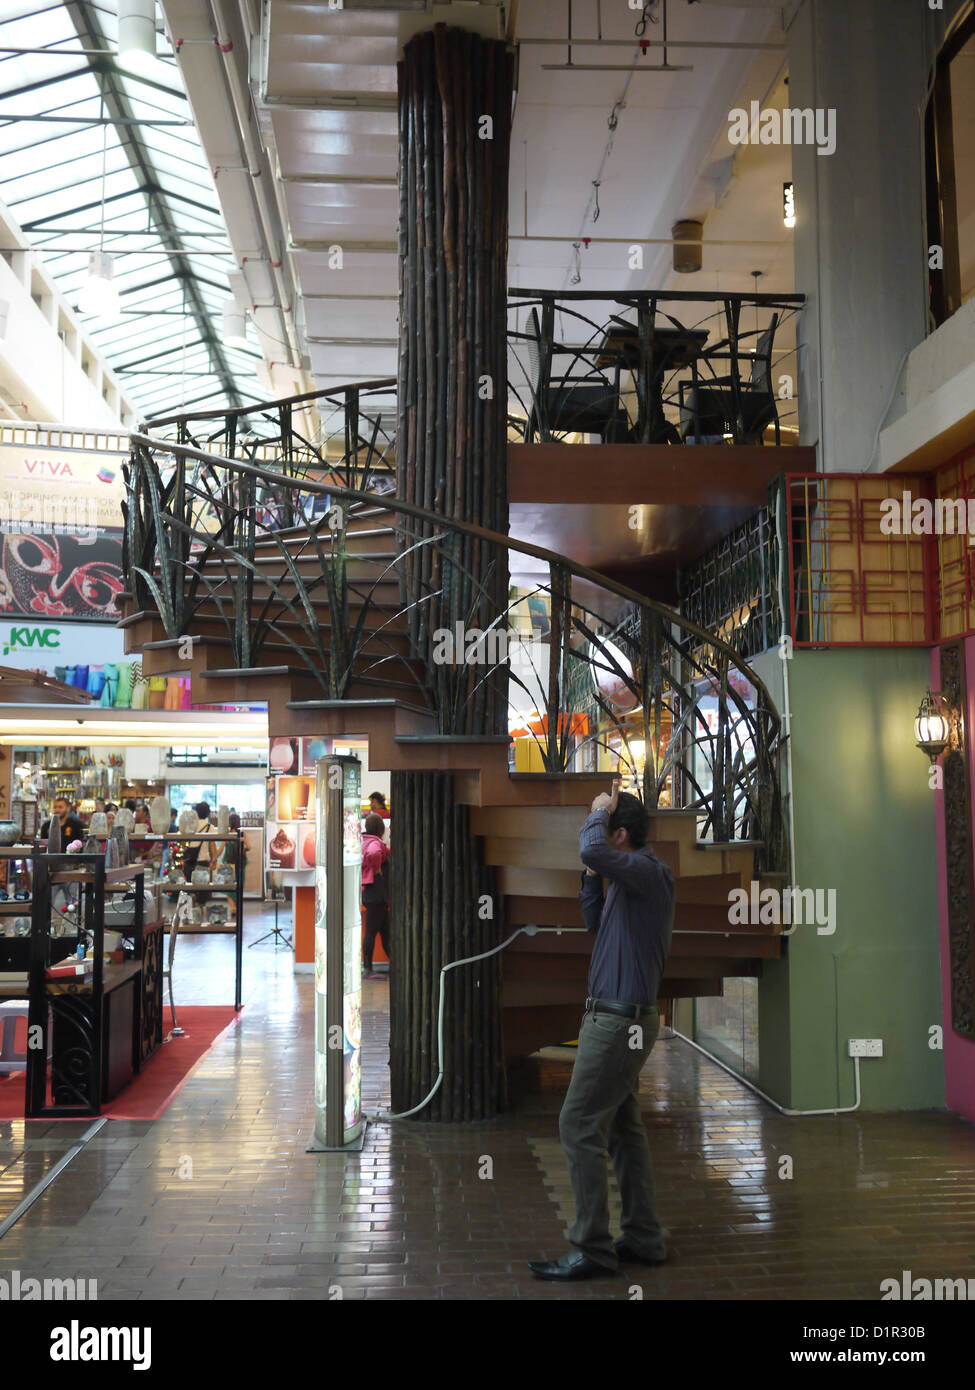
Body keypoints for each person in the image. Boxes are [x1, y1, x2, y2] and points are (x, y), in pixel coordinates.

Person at [529, 778, 675, 1282]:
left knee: (577, 1124)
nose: (595, 832)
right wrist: (592, 875)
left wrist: (598, 808)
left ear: (621, 836)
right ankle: (643, 1236)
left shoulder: (648, 872)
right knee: (624, 1131)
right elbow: (593, 920)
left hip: (619, 1024)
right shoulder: (628, 883)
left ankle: (591, 1246)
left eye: (604, 826)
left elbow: (591, 843)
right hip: (616, 1020)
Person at [361, 812, 390, 979]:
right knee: (371, 932)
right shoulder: (374, 843)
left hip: (372, 893)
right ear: (380, 828)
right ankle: (367, 969)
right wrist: (376, 868)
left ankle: (397, 966)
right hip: (376, 893)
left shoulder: (365, 841)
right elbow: (373, 854)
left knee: (386, 931)